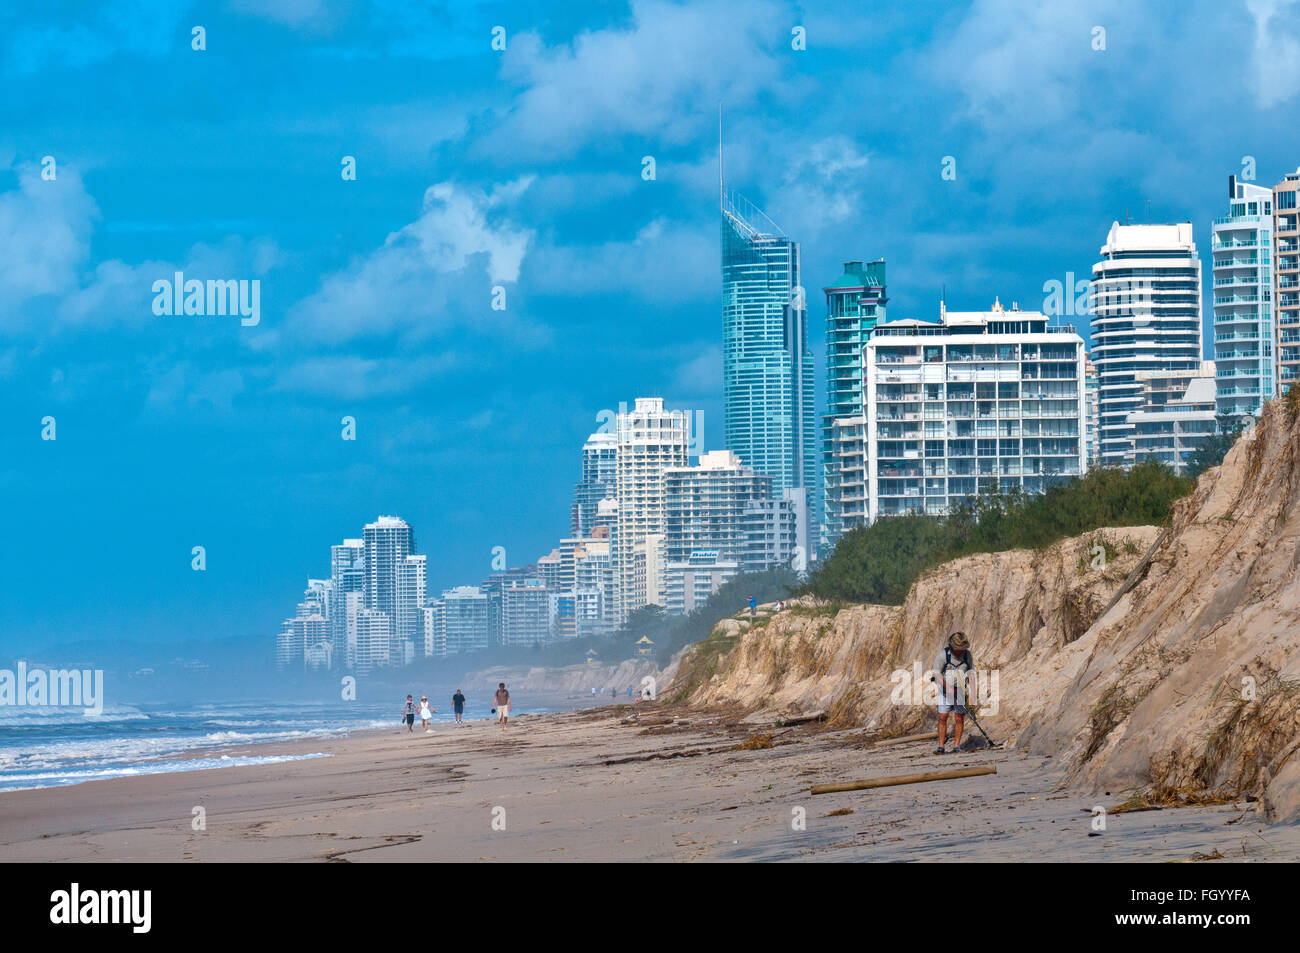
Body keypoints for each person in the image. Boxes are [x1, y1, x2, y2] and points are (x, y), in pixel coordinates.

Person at [931, 631, 973, 753]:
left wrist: (972, 696)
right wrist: (947, 687)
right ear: (952, 647)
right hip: (945, 690)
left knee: (959, 718)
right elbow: (936, 673)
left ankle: (956, 745)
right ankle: (941, 745)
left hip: (960, 689)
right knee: (943, 716)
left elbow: (971, 673)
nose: (961, 651)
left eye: (963, 648)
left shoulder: (967, 655)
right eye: (959, 648)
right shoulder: (943, 655)